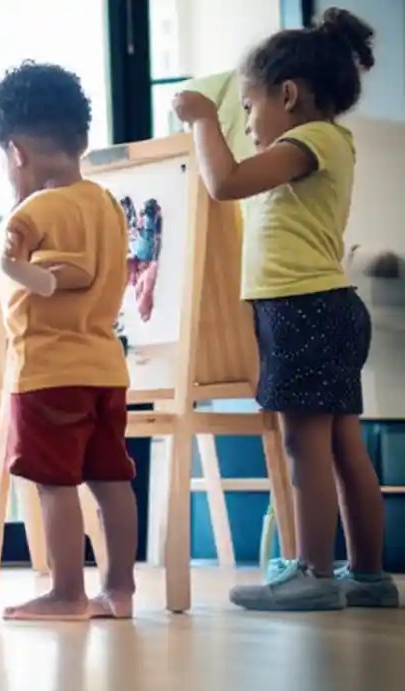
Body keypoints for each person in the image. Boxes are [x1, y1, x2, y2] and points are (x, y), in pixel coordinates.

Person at [174, 7, 398, 611]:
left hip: (303, 307)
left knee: (305, 446)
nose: (246, 122)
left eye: (248, 107)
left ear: (290, 96)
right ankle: (368, 577)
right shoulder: (326, 142)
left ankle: (314, 571)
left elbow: (224, 182)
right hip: (323, 306)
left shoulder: (310, 140)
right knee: (344, 445)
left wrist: (200, 119)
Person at [0, 61, 138, 620]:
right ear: (82, 139)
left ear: (16, 152)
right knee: (110, 476)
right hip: (105, 367)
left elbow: (38, 267)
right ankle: (119, 591)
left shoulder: (33, 210)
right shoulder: (106, 206)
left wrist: (13, 258)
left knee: (55, 483)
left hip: (48, 369)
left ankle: (67, 592)